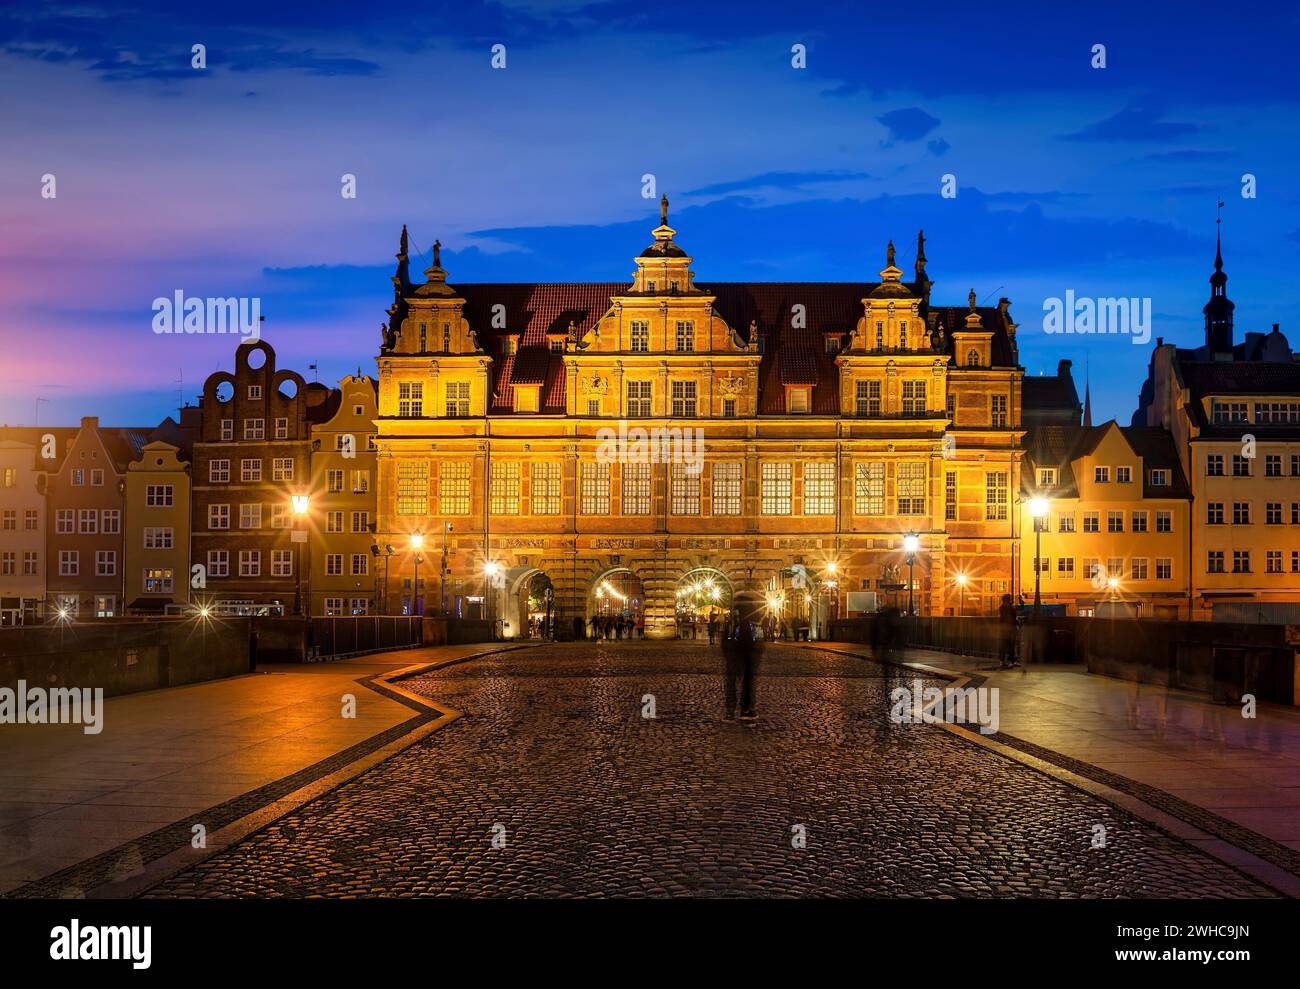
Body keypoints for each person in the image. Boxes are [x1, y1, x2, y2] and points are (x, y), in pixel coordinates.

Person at [998, 593, 1018, 668]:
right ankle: (1011, 661)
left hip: (1003, 629)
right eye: (1009, 598)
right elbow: (1013, 618)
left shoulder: (1001, 607)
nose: (1011, 600)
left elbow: (1002, 619)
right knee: (1011, 645)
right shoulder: (1010, 607)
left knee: (1003, 645)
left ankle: (1002, 661)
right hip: (1009, 628)